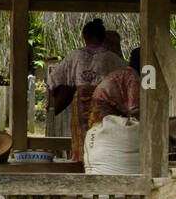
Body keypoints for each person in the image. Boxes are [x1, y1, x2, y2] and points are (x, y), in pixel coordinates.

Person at [48, 18, 127, 161]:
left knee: (81, 133)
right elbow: (127, 77)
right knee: (101, 131)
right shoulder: (112, 58)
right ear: (103, 37)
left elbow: (53, 78)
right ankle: (100, 162)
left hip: (81, 101)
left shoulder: (75, 56)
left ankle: (80, 160)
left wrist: (54, 95)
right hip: (104, 101)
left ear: (84, 36)